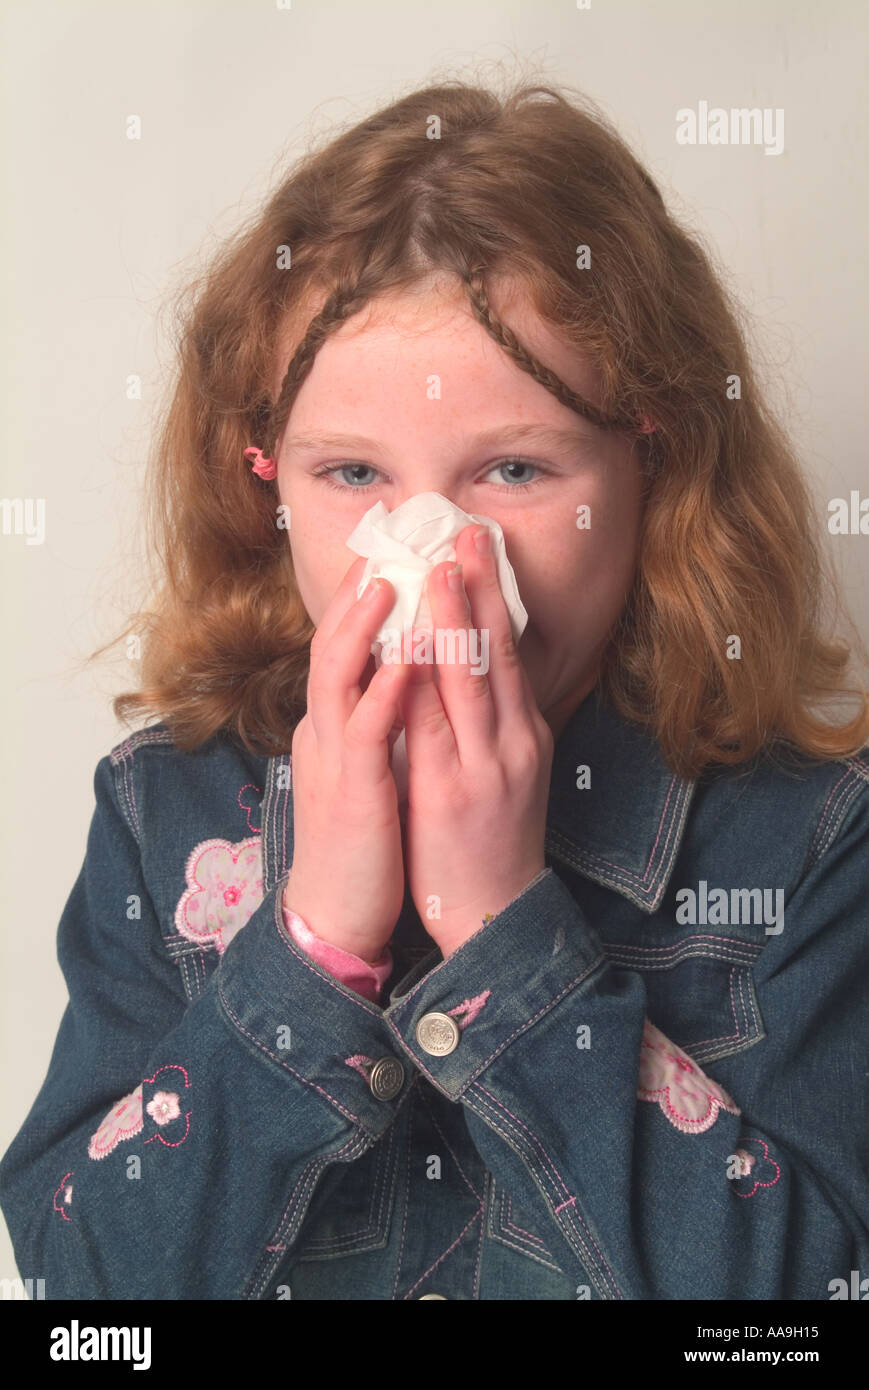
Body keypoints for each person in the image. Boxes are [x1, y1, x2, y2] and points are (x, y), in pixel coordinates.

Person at [1, 77, 868, 1302]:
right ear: (267, 483)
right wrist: (311, 948)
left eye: (513, 468)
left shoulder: (809, 840)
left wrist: (506, 931)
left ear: (652, 468)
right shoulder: (166, 815)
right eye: (353, 470)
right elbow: (82, 1295)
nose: (431, 555)